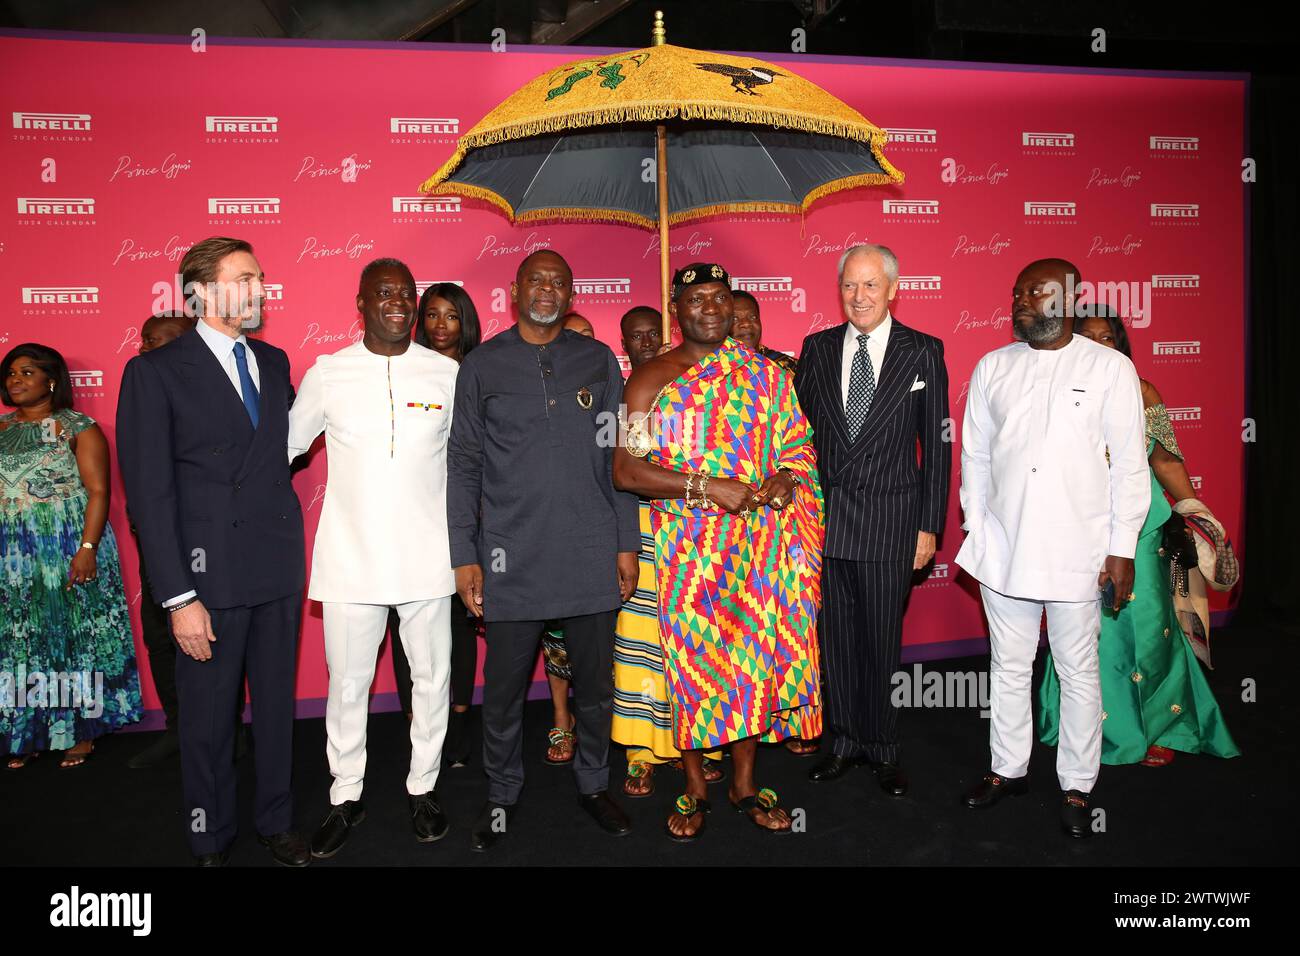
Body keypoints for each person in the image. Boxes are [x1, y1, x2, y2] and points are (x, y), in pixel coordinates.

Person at [614, 262, 824, 841]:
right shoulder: (648, 381)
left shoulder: (768, 375)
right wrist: (707, 488)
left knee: (752, 665)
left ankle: (745, 784)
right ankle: (694, 787)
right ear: (675, 310)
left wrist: (785, 477)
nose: (710, 307)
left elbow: (798, 445)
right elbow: (627, 470)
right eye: (695, 299)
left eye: (720, 297)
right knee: (695, 666)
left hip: (762, 548)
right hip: (690, 552)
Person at [117, 236, 309, 866]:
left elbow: (279, 456)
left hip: (276, 567)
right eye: (245, 278)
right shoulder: (155, 371)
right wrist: (178, 596)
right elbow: (150, 496)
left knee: (276, 713)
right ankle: (209, 835)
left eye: (260, 278)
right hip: (206, 579)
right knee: (206, 722)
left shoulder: (276, 362)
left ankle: (276, 822)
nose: (259, 289)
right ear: (200, 292)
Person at [448, 250, 639, 851]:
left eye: (560, 281)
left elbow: (621, 460)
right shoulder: (481, 366)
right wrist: (465, 553)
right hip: (510, 557)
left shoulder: (598, 359)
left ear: (572, 293)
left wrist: (626, 543)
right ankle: (502, 794)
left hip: (589, 550)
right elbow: (464, 464)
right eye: (538, 280)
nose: (549, 290)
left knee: (597, 685)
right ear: (515, 289)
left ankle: (591, 783)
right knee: (502, 690)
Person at [955, 258, 1150, 839]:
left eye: (1036, 292)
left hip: (1081, 553)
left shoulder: (1110, 368)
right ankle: (1006, 769)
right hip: (1004, 550)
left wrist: (1122, 549)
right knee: (1008, 666)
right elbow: (976, 458)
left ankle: (1076, 784)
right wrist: (976, 528)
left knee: (1077, 670)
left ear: (1070, 298)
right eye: (1018, 293)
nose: (1022, 301)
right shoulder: (994, 367)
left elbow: (1131, 469)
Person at [289, 259, 460, 858]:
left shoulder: (445, 373)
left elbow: (467, 467)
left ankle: (424, 785)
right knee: (348, 686)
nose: (397, 303)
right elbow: (284, 450)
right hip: (350, 560)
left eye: (405, 294)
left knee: (433, 679)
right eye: (384, 294)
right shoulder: (329, 373)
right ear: (360, 302)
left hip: (429, 558)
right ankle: (345, 793)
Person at [1037, 308, 1239, 766]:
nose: (1097, 345)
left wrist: (1200, 515)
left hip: (1142, 530)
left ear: (1121, 345)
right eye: (1086, 337)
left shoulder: (1143, 392)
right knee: (1090, 635)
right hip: (1077, 532)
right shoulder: (1053, 392)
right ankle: (1087, 726)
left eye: (1107, 338)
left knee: (1152, 628)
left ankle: (1160, 725)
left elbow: (1165, 462)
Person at [793, 244, 951, 796]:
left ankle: (883, 748)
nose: (859, 297)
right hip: (827, 524)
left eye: (870, 286)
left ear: (893, 289)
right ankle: (842, 742)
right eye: (849, 286)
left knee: (881, 641)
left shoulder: (923, 351)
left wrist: (928, 527)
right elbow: (797, 441)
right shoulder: (815, 349)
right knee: (834, 641)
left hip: (891, 524)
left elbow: (936, 447)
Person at [2, 344, 142, 769]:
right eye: (10, 373)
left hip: (66, 541)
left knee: (73, 637)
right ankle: (29, 730)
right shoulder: (3, 429)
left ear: (51, 379)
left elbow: (99, 492)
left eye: (27, 372)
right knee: (21, 639)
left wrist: (87, 548)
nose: (15, 379)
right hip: (12, 547)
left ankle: (80, 730)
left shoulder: (76, 426)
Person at [610, 307, 724, 797]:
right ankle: (641, 750)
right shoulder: (639, 391)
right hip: (651, 526)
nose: (644, 344)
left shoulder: (726, 382)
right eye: (634, 337)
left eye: (652, 335)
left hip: (708, 533)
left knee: (704, 640)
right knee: (645, 641)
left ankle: (702, 743)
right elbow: (627, 469)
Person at [388, 282, 482, 768]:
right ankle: (415, 722)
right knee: (405, 623)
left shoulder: (482, 372)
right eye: (432, 315)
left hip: (467, 514)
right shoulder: (404, 372)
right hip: (411, 515)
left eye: (452, 316)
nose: (441, 325)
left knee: (458, 623)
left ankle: (460, 721)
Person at [125, 313, 195, 769]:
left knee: (210, 642)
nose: (147, 349)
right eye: (145, 340)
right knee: (160, 636)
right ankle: (178, 729)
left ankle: (225, 733)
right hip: (154, 538)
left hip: (200, 539)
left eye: (160, 341)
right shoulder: (141, 391)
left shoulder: (205, 400)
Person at [731, 289, 798, 374]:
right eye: (735, 319)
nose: (746, 324)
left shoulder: (790, 367)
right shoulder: (713, 370)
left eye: (753, 317)